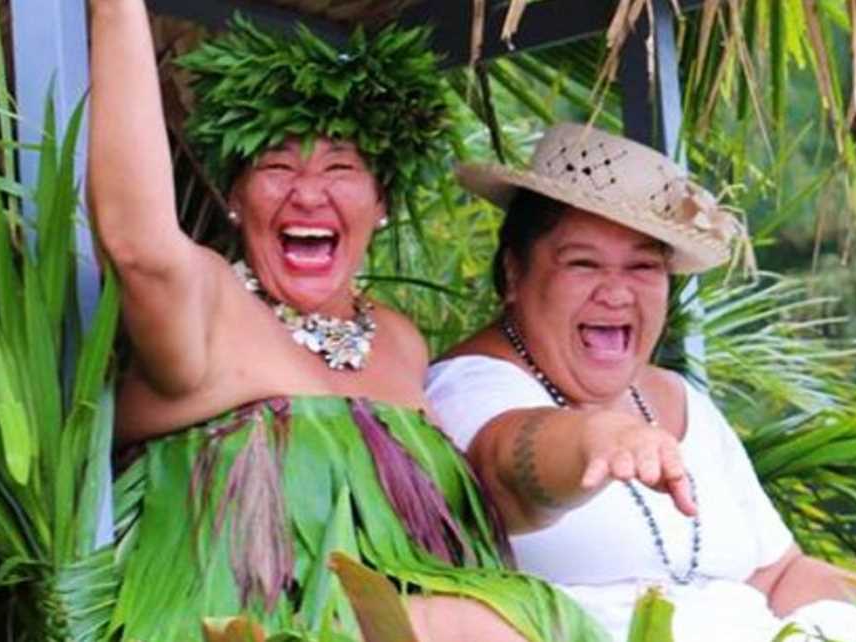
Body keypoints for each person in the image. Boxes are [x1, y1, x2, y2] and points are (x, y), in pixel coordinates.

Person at [88, 4, 608, 641]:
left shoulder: (399, 341)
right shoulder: (212, 311)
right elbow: (139, 248)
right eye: (277, 168)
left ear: (381, 200)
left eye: (340, 169)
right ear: (233, 197)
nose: (309, 194)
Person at [425, 121, 856, 641]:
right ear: (513, 273)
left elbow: (776, 575)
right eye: (583, 263)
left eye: (642, 267)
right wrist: (595, 439)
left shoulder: (677, 398)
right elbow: (508, 460)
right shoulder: (468, 386)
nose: (617, 294)